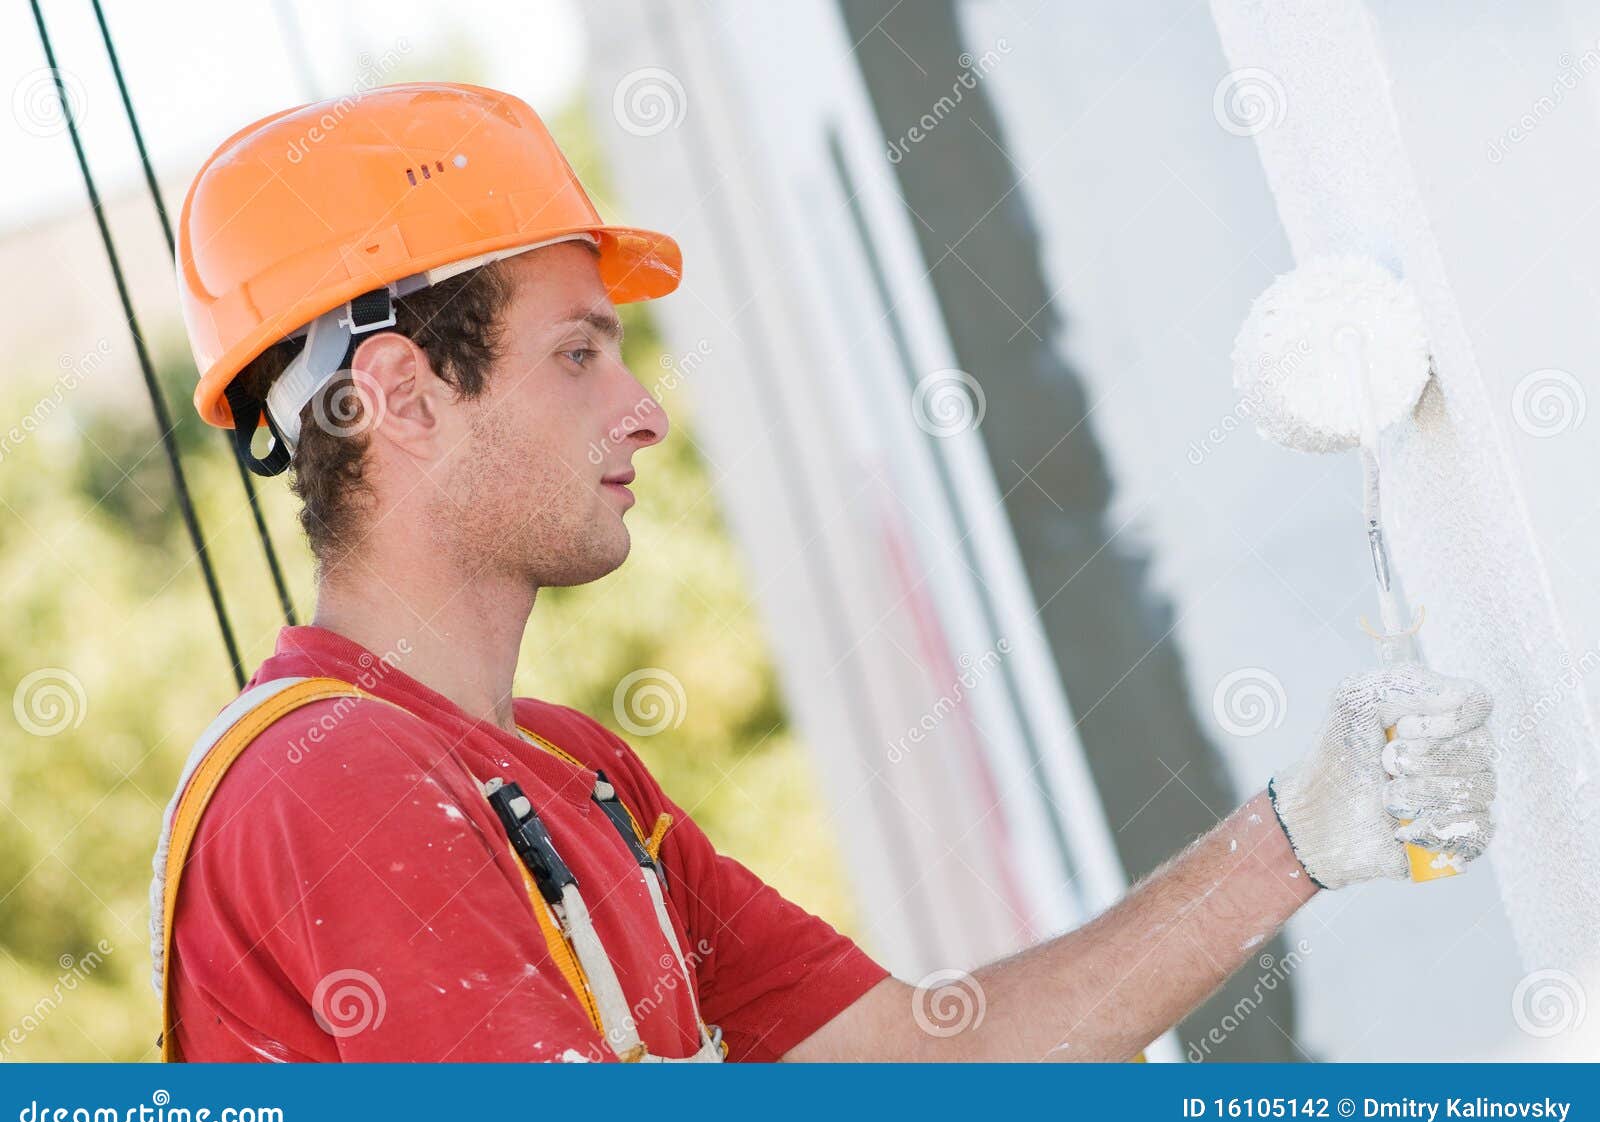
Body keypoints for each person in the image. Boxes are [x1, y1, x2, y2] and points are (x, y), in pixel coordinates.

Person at [154, 82, 1495, 1063]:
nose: (642, 411)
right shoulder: (331, 788)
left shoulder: (577, 775)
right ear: (397, 396)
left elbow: (928, 1063)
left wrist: (1300, 835)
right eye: (578, 355)